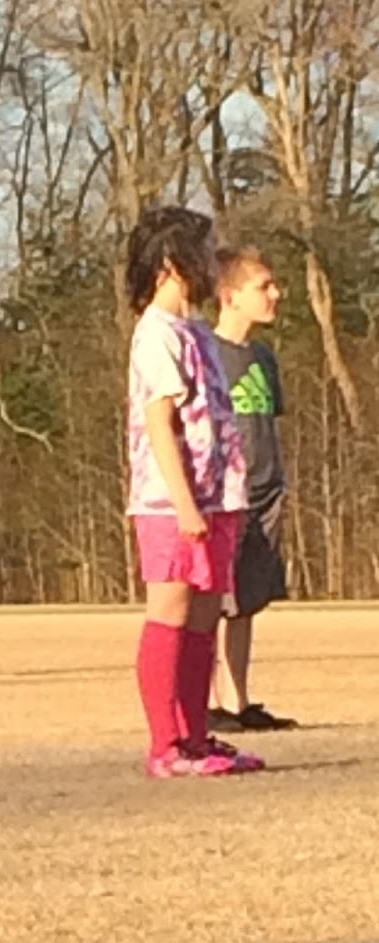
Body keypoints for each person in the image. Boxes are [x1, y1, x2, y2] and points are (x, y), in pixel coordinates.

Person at [125, 207, 264, 778]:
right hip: (171, 502)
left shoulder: (199, 331)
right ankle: (167, 744)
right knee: (172, 611)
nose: (212, 264)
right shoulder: (155, 335)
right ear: (170, 262)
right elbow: (159, 422)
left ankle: (198, 737)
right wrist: (183, 502)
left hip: (217, 497)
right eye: (203, 255)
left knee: (206, 612)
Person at [210, 247, 297, 733]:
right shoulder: (208, 353)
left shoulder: (263, 357)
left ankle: (237, 702)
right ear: (229, 296)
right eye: (263, 286)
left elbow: (267, 422)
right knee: (210, 604)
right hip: (225, 496)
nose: (274, 294)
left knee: (245, 601)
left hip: (265, 491)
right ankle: (206, 704)